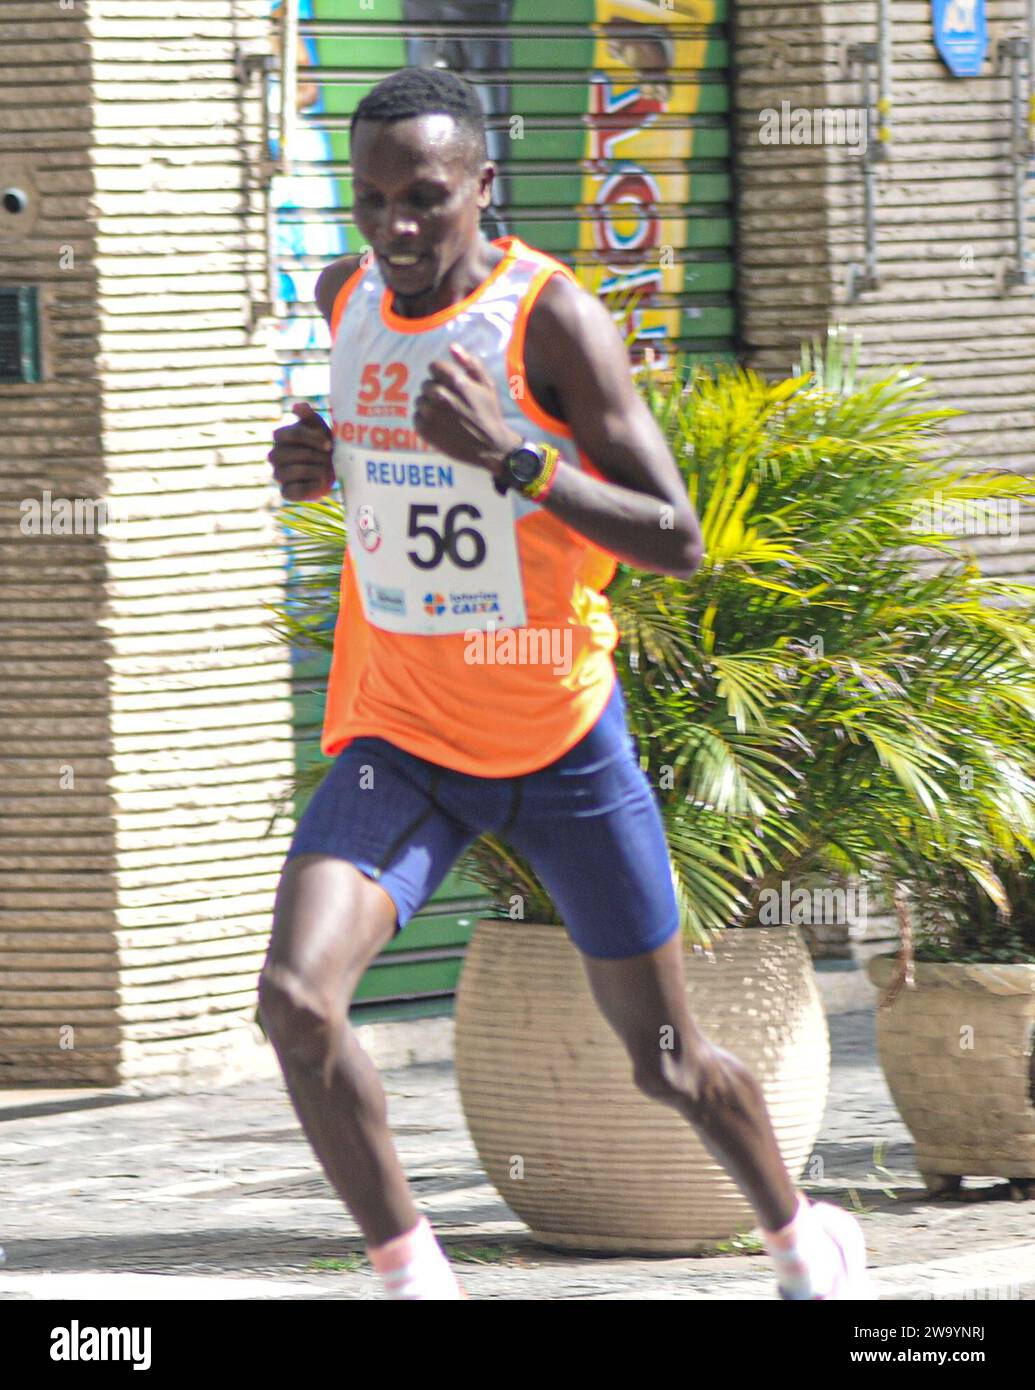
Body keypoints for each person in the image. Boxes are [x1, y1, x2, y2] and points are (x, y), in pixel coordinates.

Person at [261, 66, 875, 1302]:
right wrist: (315, 465)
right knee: (295, 1001)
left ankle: (805, 1235)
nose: (396, 228)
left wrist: (519, 458)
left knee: (666, 1058)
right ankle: (409, 1272)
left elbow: (675, 534)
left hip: (557, 739)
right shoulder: (345, 299)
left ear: (484, 187)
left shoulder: (553, 321)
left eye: (425, 198)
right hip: (404, 732)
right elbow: (371, 467)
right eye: (372, 199)